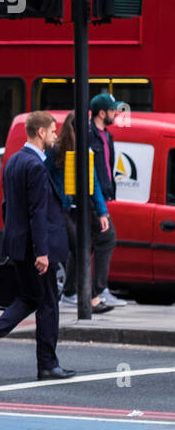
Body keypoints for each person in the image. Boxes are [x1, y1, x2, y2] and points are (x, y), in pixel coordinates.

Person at [0, 112, 73, 381]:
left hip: (18, 244)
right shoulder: (37, 166)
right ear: (40, 132)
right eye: (53, 131)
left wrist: (15, 239)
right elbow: (37, 211)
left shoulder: (14, 161)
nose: (55, 135)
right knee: (49, 304)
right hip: (38, 247)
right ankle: (48, 365)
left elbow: (8, 207)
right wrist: (42, 251)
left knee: (30, 298)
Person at [52, 113, 112, 315]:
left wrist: (103, 212)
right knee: (80, 249)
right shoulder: (58, 150)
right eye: (85, 124)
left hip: (80, 209)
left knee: (82, 249)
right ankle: (91, 298)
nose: (89, 128)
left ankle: (73, 293)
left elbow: (93, 182)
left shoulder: (85, 150)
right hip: (64, 209)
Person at [87, 93, 125, 308]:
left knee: (85, 244)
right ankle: (99, 289)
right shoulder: (90, 135)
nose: (115, 113)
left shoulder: (106, 135)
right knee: (107, 238)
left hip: (103, 195)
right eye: (112, 110)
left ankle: (71, 290)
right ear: (102, 113)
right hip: (93, 197)